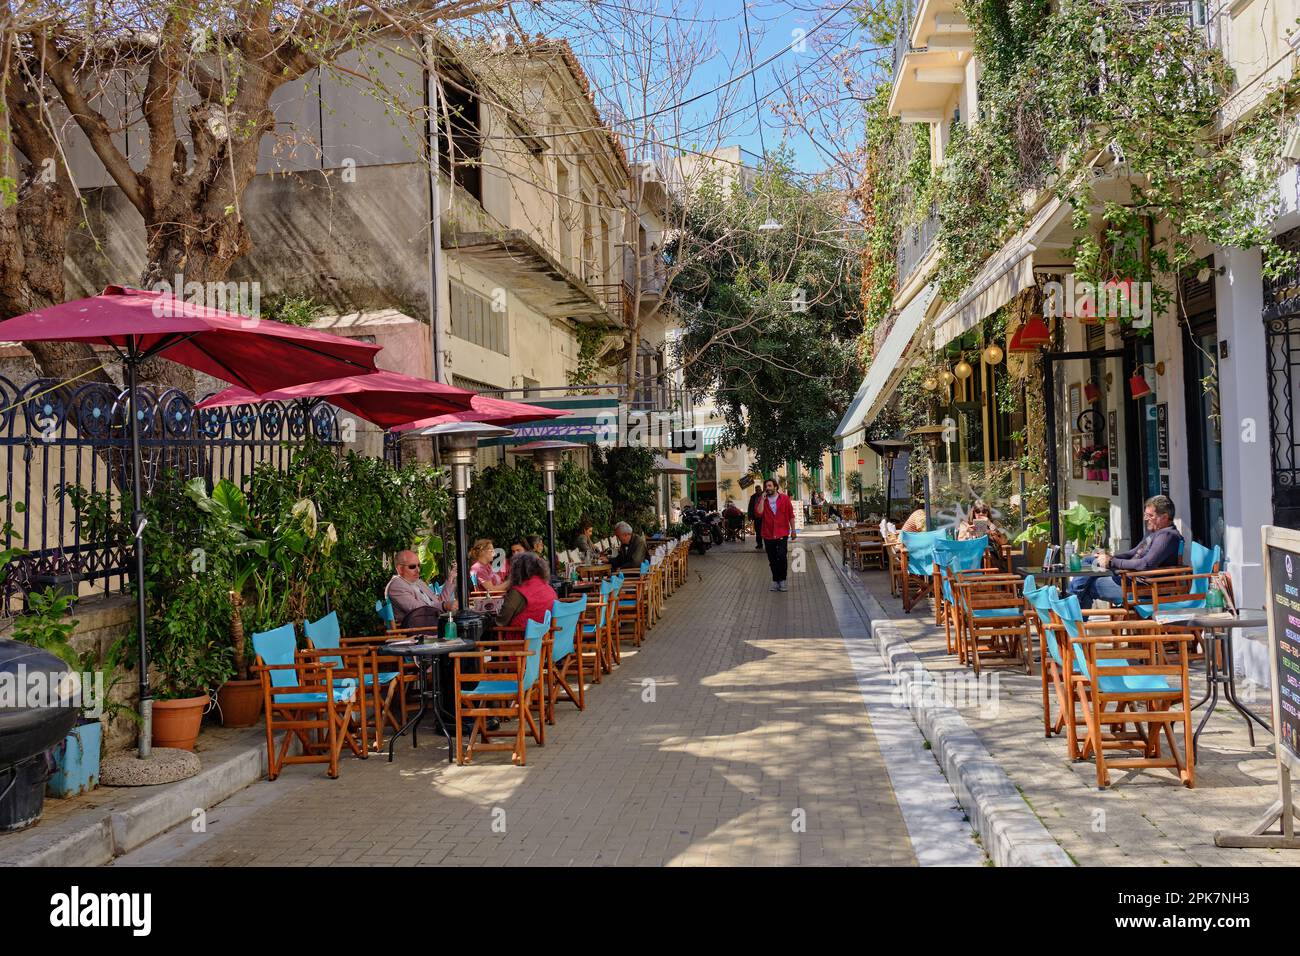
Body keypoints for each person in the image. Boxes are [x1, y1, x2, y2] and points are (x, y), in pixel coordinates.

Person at [1068, 495, 1183, 606]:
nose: (1145, 519)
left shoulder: (1167, 536)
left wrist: (1112, 562)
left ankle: (1071, 609)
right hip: (1130, 578)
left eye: (1150, 516)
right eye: (1145, 515)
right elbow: (1133, 553)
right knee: (1089, 560)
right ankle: (1072, 609)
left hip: (1141, 587)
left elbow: (1146, 564)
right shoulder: (1155, 532)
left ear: (1164, 517)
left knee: (1087, 586)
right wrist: (1108, 557)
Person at [385, 549, 457, 625]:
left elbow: (438, 602)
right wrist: (444, 605)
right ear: (400, 569)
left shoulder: (418, 582)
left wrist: (451, 578)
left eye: (419, 565)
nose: (418, 570)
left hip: (434, 622)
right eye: (412, 566)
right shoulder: (397, 586)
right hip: (421, 630)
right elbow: (420, 611)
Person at [496, 552, 559, 629]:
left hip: (522, 638)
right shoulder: (548, 588)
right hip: (547, 637)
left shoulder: (518, 592)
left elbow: (501, 622)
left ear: (517, 570)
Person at [759, 476, 796, 592]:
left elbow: (791, 515)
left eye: (770, 486)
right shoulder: (763, 501)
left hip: (781, 533)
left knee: (781, 557)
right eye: (766, 486)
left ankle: (783, 580)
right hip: (768, 534)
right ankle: (776, 581)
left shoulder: (784, 499)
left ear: (775, 487)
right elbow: (759, 513)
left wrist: (793, 530)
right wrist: (761, 500)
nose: (767, 488)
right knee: (772, 559)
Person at [748, 485, 765, 551]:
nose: (758, 491)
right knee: (758, 531)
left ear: (761, 489)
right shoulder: (753, 497)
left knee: (765, 531)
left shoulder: (765, 495)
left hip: (764, 517)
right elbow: (750, 507)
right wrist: (750, 516)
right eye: (756, 490)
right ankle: (759, 544)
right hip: (757, 517)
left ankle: (767, 544)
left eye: (759, 490)